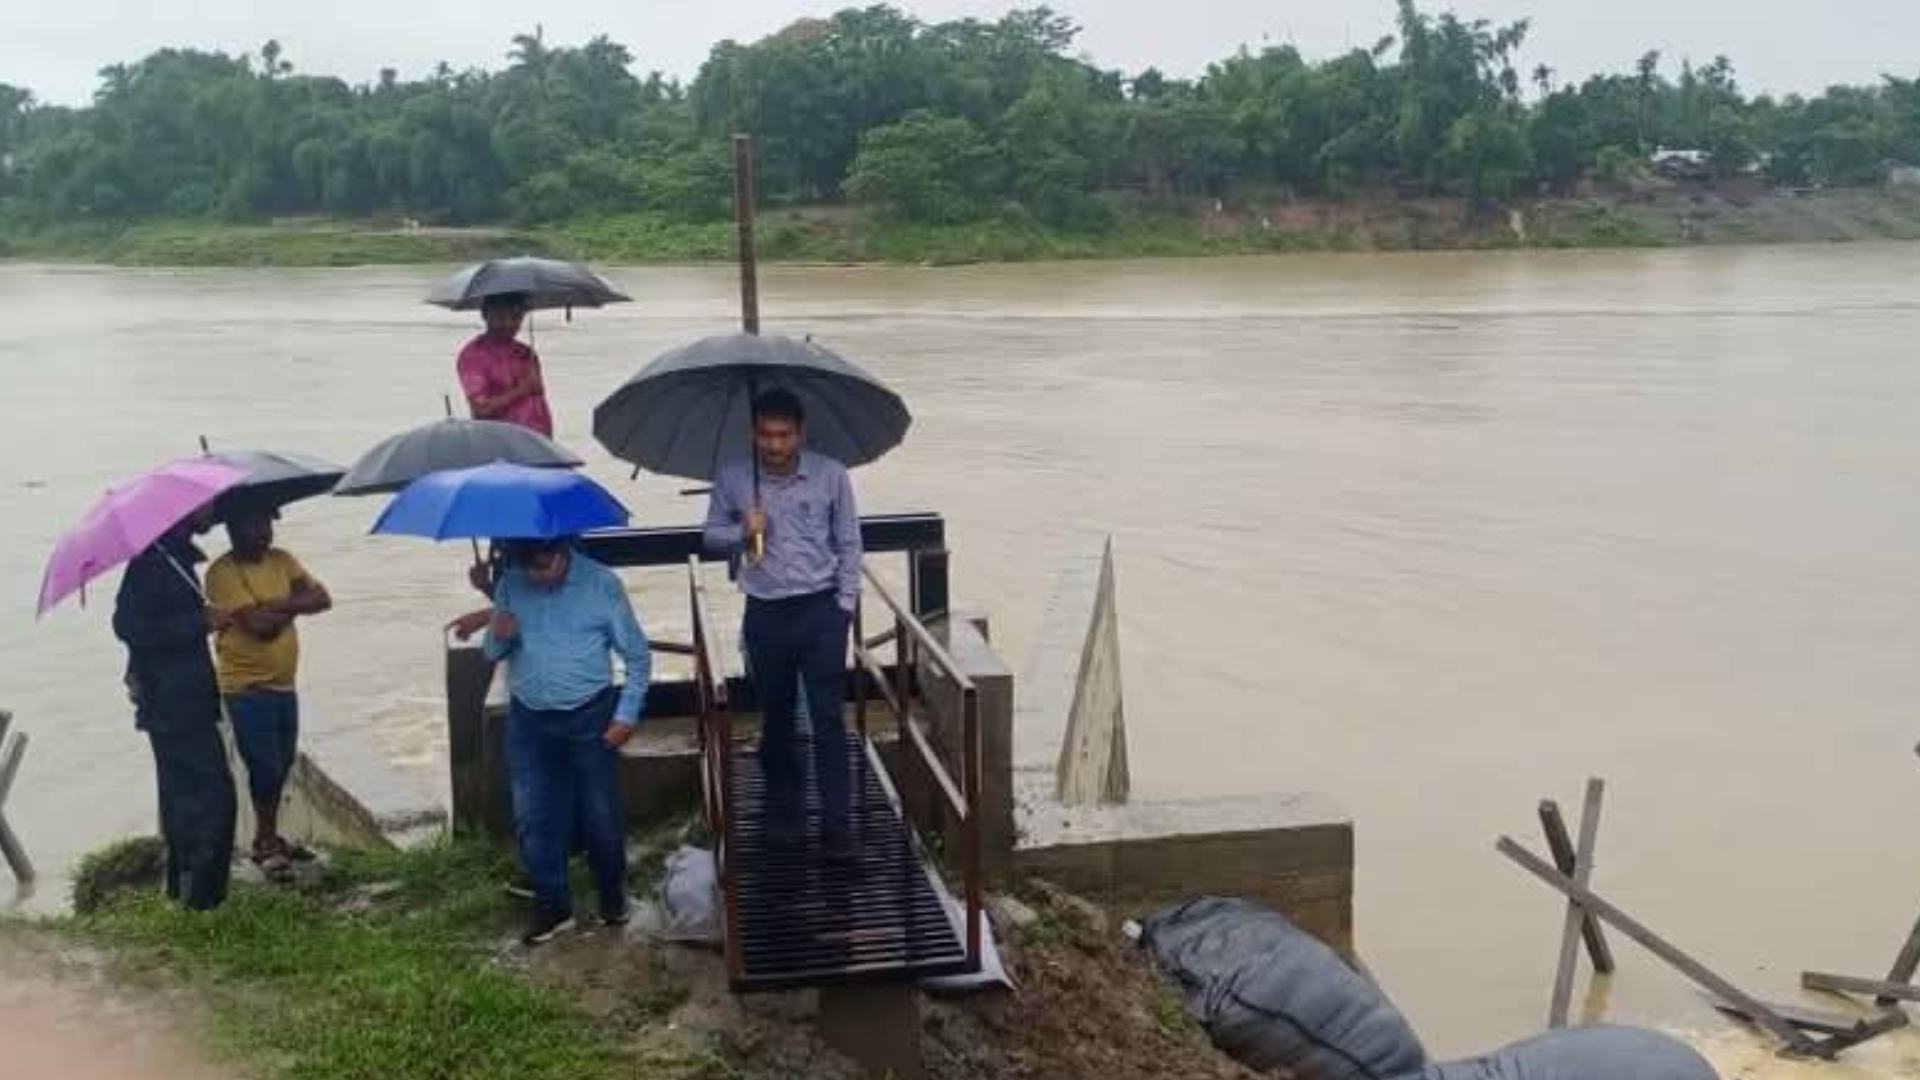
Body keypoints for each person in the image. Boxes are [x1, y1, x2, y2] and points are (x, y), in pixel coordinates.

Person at [702, 389, 863, 862]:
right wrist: (744, 530)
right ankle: (785, 817)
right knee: (776, 717)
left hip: (820, 609)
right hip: (765, 609)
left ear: (800, 433)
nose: (774, 445)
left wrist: (844, 606)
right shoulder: (734, 475)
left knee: (828, 719)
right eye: (766, 435)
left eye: (784, 435)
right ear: (753, 433)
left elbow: (849, 542)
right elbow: (710, 535)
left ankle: (837, 827)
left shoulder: (832, 475)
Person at [483, 537, 651, 945]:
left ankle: (612, 899)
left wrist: (626, 715)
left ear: (563, 553)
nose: (540, 577)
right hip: (529, 719)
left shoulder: (602, 583)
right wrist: (499, 635)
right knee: (533, 816)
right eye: (532, 569)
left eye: (547, 567)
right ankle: (553, 906)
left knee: (600, 816)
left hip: (590, 715)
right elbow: (492, 652)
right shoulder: (510, 584)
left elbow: (637, 656)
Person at [113, 513, 236, 911]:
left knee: (183, 799)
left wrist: (202, 622)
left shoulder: (173, 556)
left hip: (180, 697)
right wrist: (198, 622)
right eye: (209, 504)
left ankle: (185, 892)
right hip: (175, 701)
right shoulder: (153, 561)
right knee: (215, 796)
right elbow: (128, 625)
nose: (214, 509)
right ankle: (203, 899)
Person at [204, 508, 332, 880]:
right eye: (252, 525)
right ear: (233, 530)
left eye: (266, 524)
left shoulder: (283, 559)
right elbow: (260, 628)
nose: (262, 532)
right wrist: (293, 604)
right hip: (247, 686)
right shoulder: (223, 573)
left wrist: (277, 605)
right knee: (265, 766)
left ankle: (270, 836)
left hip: (284, 683)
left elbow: (323, 598)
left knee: (282, 762)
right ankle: (265, 844)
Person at [456, 292, 553, 437]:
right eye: (500, 317)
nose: (508, 324)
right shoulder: (474, 356)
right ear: (485, 315)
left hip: (537, 440)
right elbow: (480, 410)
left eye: (516, 317)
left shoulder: (526, 352)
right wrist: (523, 389)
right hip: (500, 441)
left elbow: (538, 402)